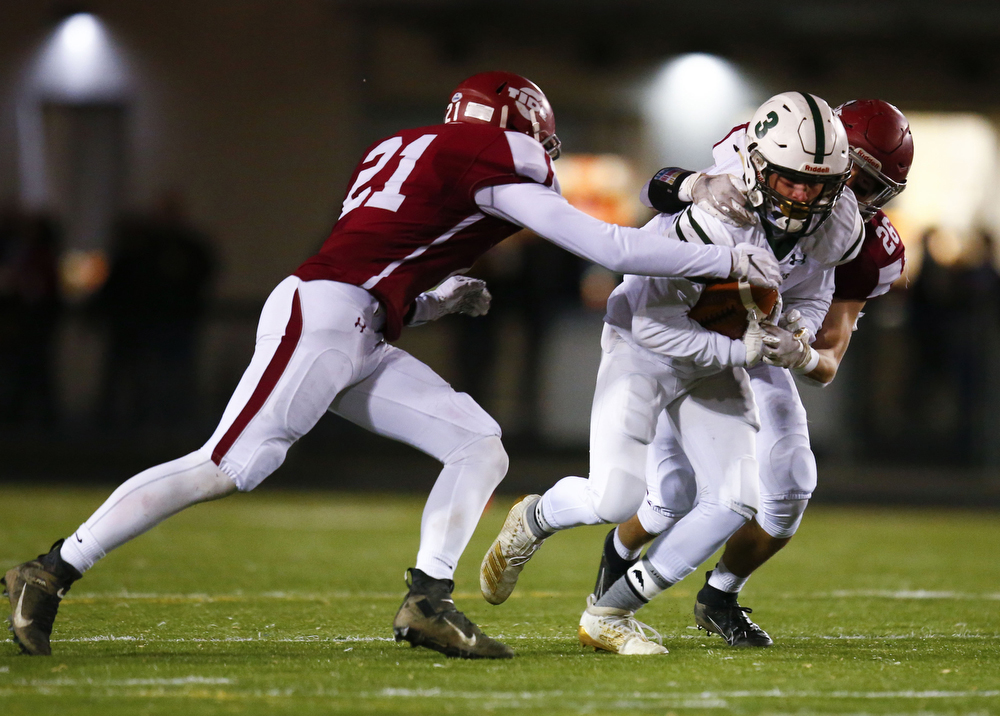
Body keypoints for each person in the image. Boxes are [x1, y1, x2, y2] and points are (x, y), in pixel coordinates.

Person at [2, 71, 780, 660]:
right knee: (231, 465)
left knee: (477, 442)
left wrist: (436, 300)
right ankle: (52, 568)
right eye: (538, 145)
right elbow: (607, 247)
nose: (543, 159)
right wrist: (728, 257)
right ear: (518, 132)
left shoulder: (397, 150)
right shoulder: (496, 154)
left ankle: (426, 600)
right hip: (326, 315)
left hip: (355, 320)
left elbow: (378, 259)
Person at [479, 92, 864, 654]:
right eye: (788, 180)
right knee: (616, 498)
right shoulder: (711, 219)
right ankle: (534, 517)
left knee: (738, 498)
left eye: (817, 184)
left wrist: (798, 329)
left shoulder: (838, 220)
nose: (803, 196)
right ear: (757, 166)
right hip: (646, 347)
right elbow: (652, 327)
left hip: (719, 353)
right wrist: (745, 350)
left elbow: (816, 288)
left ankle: (608, 615)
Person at [590, 98, 913, 648]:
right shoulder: (767, 168)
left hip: (765, 342)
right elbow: (658, 191)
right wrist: (693, 184)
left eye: (870, 187)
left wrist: (801, 347)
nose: (846, 194)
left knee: (790, 483)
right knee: (671, 490)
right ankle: (616, 562)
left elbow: (827, 359)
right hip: (694, 323)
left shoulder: (855, 241)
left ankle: (719, 595)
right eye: (849, 173)